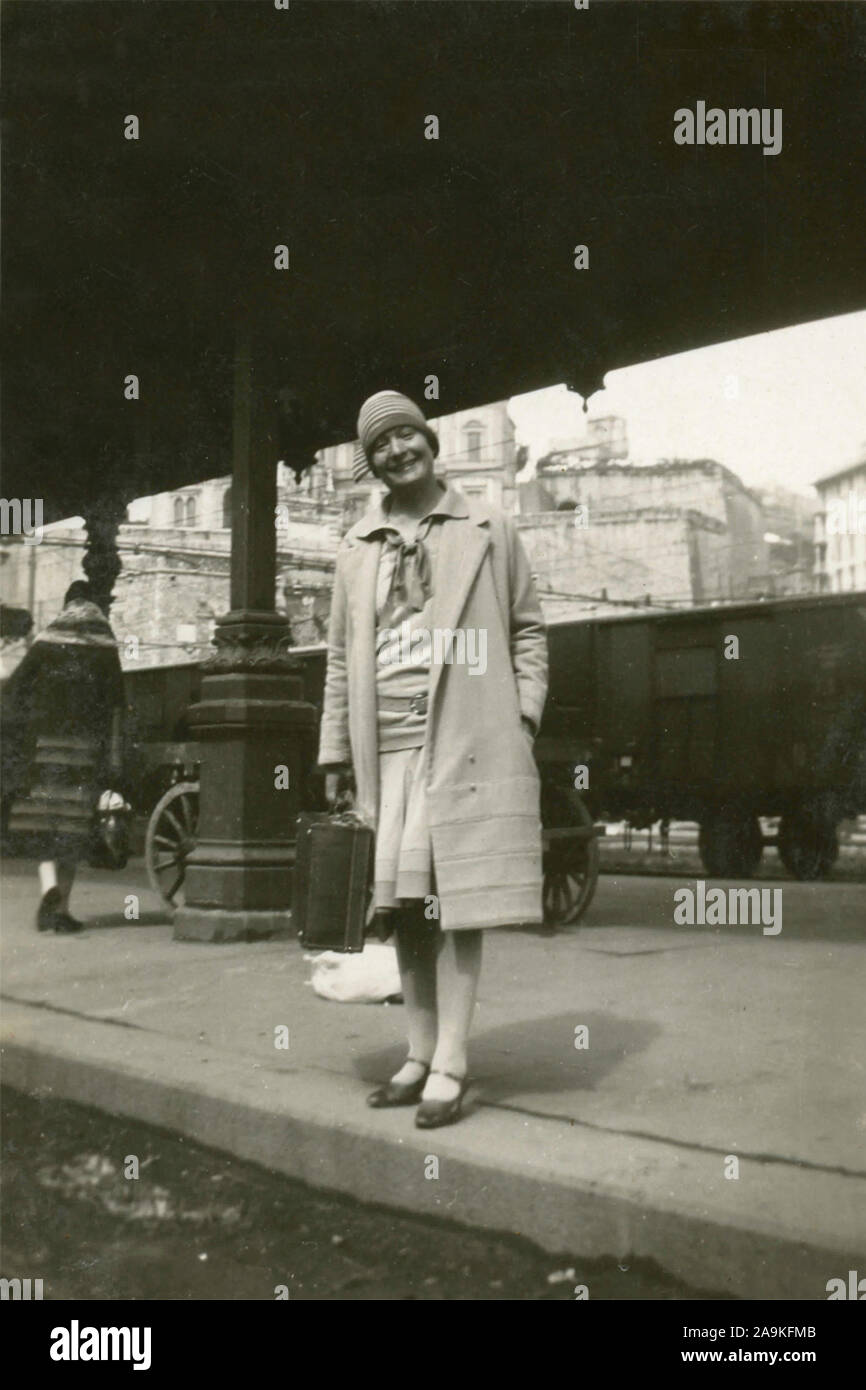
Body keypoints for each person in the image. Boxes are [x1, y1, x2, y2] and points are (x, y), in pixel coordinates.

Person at [318, 390, 548, 1128]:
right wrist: (332, 746)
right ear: (371, 461)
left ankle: (452, 1061)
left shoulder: (488, 527)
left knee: (458, 904)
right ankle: (416, 1055)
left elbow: (529, 631)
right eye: (380, 445)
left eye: (407, 436)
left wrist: (519, 717)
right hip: (383, 747)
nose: (397, 452)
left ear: (430, 440)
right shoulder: (357, 547)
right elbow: (337, 659)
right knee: (407, 913)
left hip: (464, 740)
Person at [3, 581, 125, 932]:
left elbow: (15, 688)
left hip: (43, 748)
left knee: (45, 824)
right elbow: (118, 701)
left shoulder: (46, 640)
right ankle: (62, 911)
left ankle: (49, 889)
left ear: (66, 602)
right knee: (73, 828)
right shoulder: (105, 644)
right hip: (85, 752)